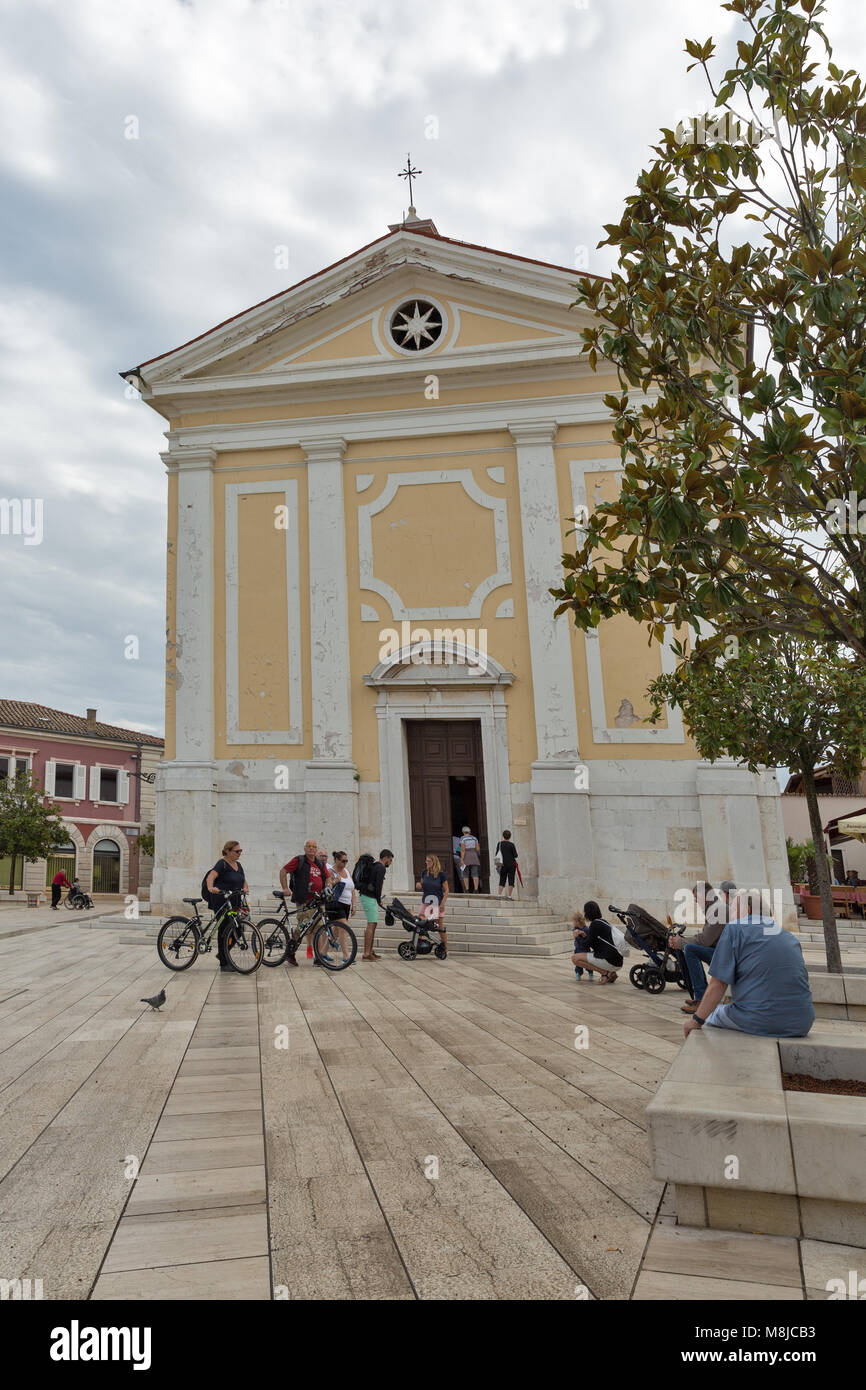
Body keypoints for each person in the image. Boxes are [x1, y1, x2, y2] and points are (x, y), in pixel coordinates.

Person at [683, 893, 815, 1039]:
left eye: (732, 910)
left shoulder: (735, 929)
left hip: (760, 1020)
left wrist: (696, 1020)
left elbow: (718, 984)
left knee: (710, 1016)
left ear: (748, 910)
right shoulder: (789, 937)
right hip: (803, 1022)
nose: (730, 916)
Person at [670, 880, 736, 1016]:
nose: (695, 901)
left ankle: (701, 1000)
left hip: (727, 956)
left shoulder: (718, 910)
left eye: (696, 898)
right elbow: (706, 937)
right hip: (722, 951)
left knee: (690, 949)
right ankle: (700, 996)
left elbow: (705, 940)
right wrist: (681, 941)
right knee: (688, 948)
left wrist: (681, 942)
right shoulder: (714, 908)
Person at [280, 840, 333, 967]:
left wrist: (328, 886)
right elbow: (283, 871)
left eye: (314, 847)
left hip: (318, 901)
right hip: (304, 900)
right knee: (303, 927)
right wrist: (285, 888)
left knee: (319, 928)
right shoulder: (299, 860)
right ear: (305, 848)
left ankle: (318, 957)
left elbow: (328, 878)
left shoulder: (320, 863)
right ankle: (290, 952)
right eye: (309, 846)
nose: (311, 849)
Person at [205, 840, 249, 971]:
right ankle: (224, 963)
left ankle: (222, 953)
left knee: (239, 929)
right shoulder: (222, 864)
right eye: (237, 851)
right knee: (224, 929)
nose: (239, 853)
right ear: (228, 851)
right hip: (221, 900)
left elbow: (243, 881)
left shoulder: (239, 865)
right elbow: (211, 876)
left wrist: (246, 888)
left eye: (240, 851)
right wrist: (211, 887)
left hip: (234, 901)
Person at [571, 900, 623, 984]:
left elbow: (585, 945)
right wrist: (585, 936)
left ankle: (605, 973)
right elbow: (595, 942)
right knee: (592, 954)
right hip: (618, 961)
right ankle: (612, 973)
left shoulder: (594, 924)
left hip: (611, 961)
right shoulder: (602, 922)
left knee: (575, 958)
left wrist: (577, 937)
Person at [358, 849, 393, 961]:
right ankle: (366, 953)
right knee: (371, 924)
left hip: (367, 896)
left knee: (373, 924)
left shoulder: (375, 866)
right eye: (390, 860)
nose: (390, 862)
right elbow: (378, 885)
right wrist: (379, 899)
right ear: (386, 858)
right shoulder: (381, 868)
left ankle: (370, 951)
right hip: (369, 897)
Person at [416, 853, 449, 958]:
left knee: (439, 927)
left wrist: (443, 903)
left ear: (434, 862)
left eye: (428, 861)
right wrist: (418, 885)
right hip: (425, 902)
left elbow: (447, 890)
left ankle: (445, 948)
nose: (426, 863)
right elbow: (422, 885)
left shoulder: (441, 875)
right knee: (420, 924)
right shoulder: (424, 873)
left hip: (437, 903)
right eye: (426, 861)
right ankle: (418, 945)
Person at [325, 850, 356, 962]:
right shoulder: (330, 871)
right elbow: (328, 885)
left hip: (346, 905)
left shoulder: (347, 871)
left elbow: (352, 889)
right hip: (335, 904)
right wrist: (335, 882)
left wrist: (354, 904)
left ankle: (322, 953)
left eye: (346, 861)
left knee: (336, 932)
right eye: (343, 861)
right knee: (344, 928)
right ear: (336, 860)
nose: (345, 863)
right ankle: (346, 956)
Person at [570, 909, 596, 981]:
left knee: (587, 963)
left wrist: (584, 934)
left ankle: (590, 973)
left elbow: (588, 940)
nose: (573, 923)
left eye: (574, 921)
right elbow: (574, 934)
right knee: (578, 964)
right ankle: (578, 973)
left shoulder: (586, 929)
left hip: (585, 949)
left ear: (577, 922)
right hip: (578, 949)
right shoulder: (575, 929)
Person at [494, 830, 519, 901]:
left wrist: (497, 865)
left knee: (502, 879)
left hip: (502, 865)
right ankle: (509, 896)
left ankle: (499, 895)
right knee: (511, 880)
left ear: (503, 836)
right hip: (511, 864)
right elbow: (515, 855)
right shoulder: (511, 845)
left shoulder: (499, 844)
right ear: (510, 836)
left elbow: (496, 854)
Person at [459, 826, 481, 893]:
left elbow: (462, 850)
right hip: (474, 856)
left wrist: (462, 859)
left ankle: (467, 890)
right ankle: (476, 889)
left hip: (466, 856)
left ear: (463, 832)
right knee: (475, 874)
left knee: (465, 874)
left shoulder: (462, 838)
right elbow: (478, 849)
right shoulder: (474, 838)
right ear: (469, 832)